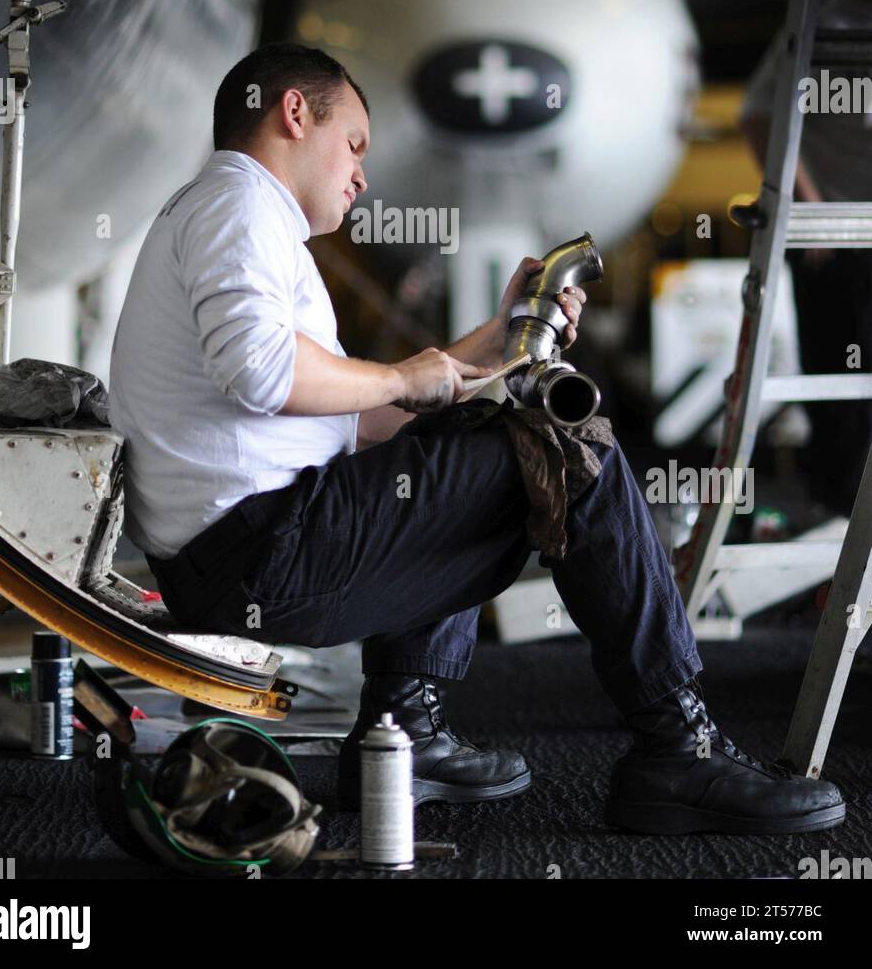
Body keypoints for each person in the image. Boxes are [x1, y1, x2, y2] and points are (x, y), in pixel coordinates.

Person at [109, 42, 844, 834]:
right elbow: (262, 372)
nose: (361, 175)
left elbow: (351, 420)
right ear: (294, 112)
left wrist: (493, 343)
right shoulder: (239, 202)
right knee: (569, 453)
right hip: (259, 552)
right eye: (354, 144)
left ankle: (403, 735)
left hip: (246, 551)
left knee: (469, 432)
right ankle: (677, 749)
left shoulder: (236, 216)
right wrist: (402, 379)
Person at [740, 0, 872, 517]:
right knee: (838, 375)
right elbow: (761, 114)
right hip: (832, 238)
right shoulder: (819, 25)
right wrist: (807, 209)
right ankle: (838, 510)